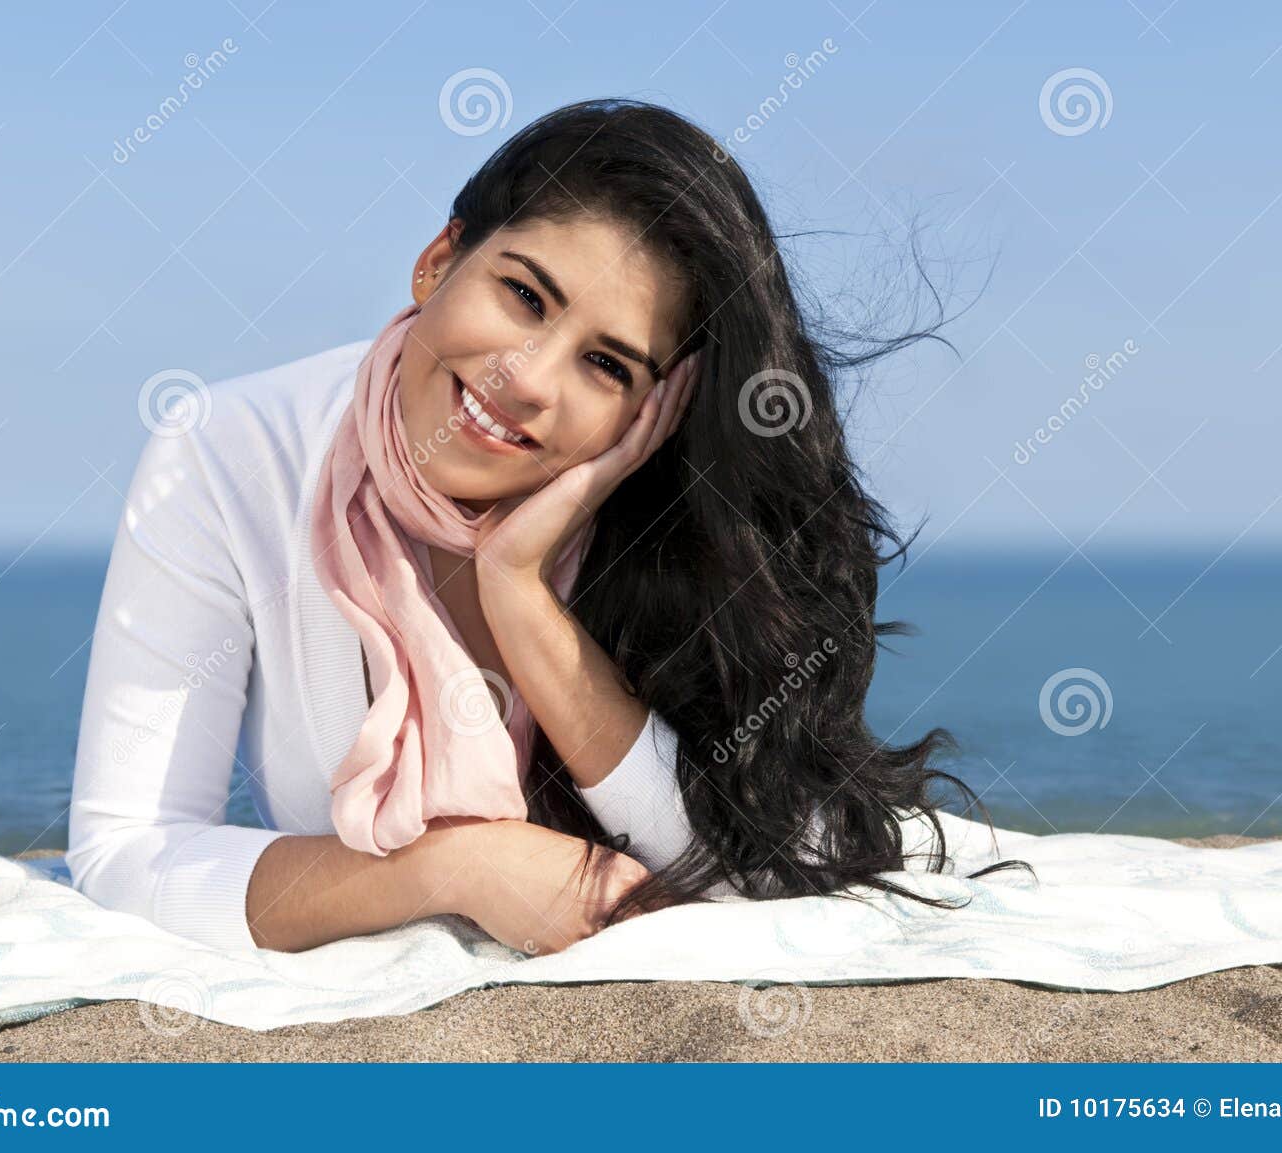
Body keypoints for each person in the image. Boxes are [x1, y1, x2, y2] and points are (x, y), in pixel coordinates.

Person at [66, 97, 1030, 957]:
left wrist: (524, 599)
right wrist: (455, 867)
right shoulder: (232, 451)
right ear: (437, 262)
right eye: (523, 296)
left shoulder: (663, 515)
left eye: (607, 365)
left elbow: (774, 861)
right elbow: (126, 852)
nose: (528, 379)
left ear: (655, 413)